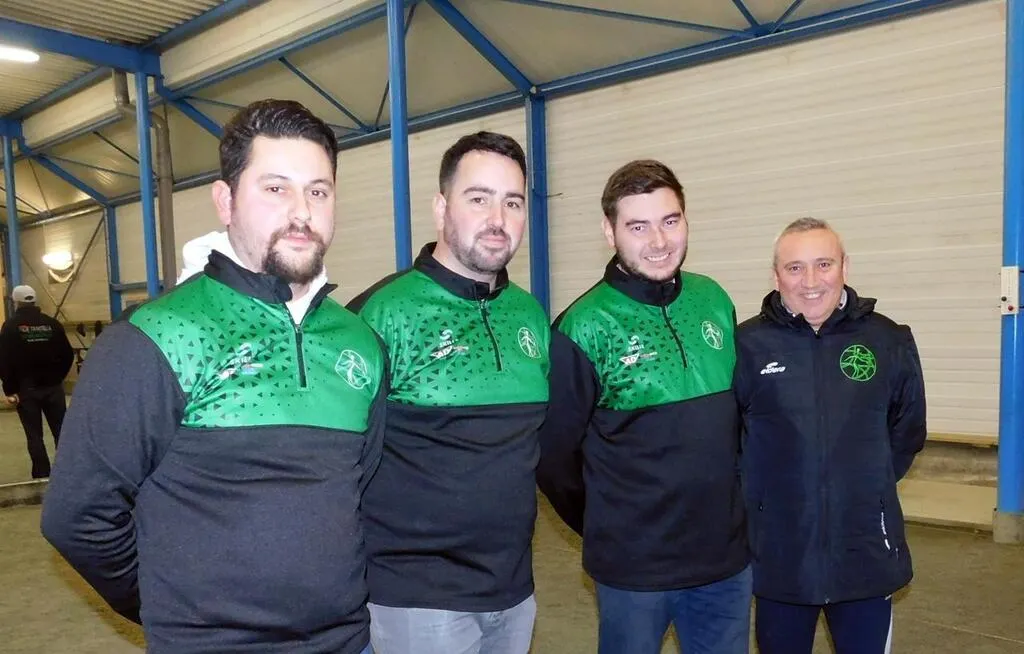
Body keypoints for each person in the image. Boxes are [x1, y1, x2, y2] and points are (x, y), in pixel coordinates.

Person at [40, 99, 386, 654]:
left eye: (318, 191)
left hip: (347, 643)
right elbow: (78, 516)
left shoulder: (359, 344)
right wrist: (167, 602)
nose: (301, 211)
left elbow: (359, 488)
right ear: (225, 201)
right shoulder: (157, 337)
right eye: (275, 188)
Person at [346, 131, 550, 654]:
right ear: (441, 208)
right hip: (418, 595)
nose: (497, 219)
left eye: (513, 202)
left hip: (512, 589)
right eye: (478, 198)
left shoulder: (529, 315)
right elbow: (336, 461)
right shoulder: (383, 313)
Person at [537, 159, 751, 654]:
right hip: (634, 570)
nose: (658, 242)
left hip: (724, 563)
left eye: (670, 221)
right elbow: (553, 459)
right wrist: (609, 523)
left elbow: (737, 424)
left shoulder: (713, 299)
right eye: (638, 226)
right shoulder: (583, 326)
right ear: (609, 233)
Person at [733, 217, 927, 654]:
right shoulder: (746, 345)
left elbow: (907, 431)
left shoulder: (888, 340)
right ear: (775, 274)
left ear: (845, 266)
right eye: (795, 268)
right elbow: (731, 440)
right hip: (781, 558)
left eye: (824, 264)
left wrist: (865, 487)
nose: (811, 281)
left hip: (865, 555)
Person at [0, 284, 74, 479]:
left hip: (27, 390)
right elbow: (67, 354)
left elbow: (5, 360)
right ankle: (68, 472)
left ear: (15, 302)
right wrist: (58, 377)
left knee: (34, 435)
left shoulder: (10, 328)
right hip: (53, 388)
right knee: (62, 432)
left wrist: (10, 389)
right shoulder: (52, 324)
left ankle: (42, 474)